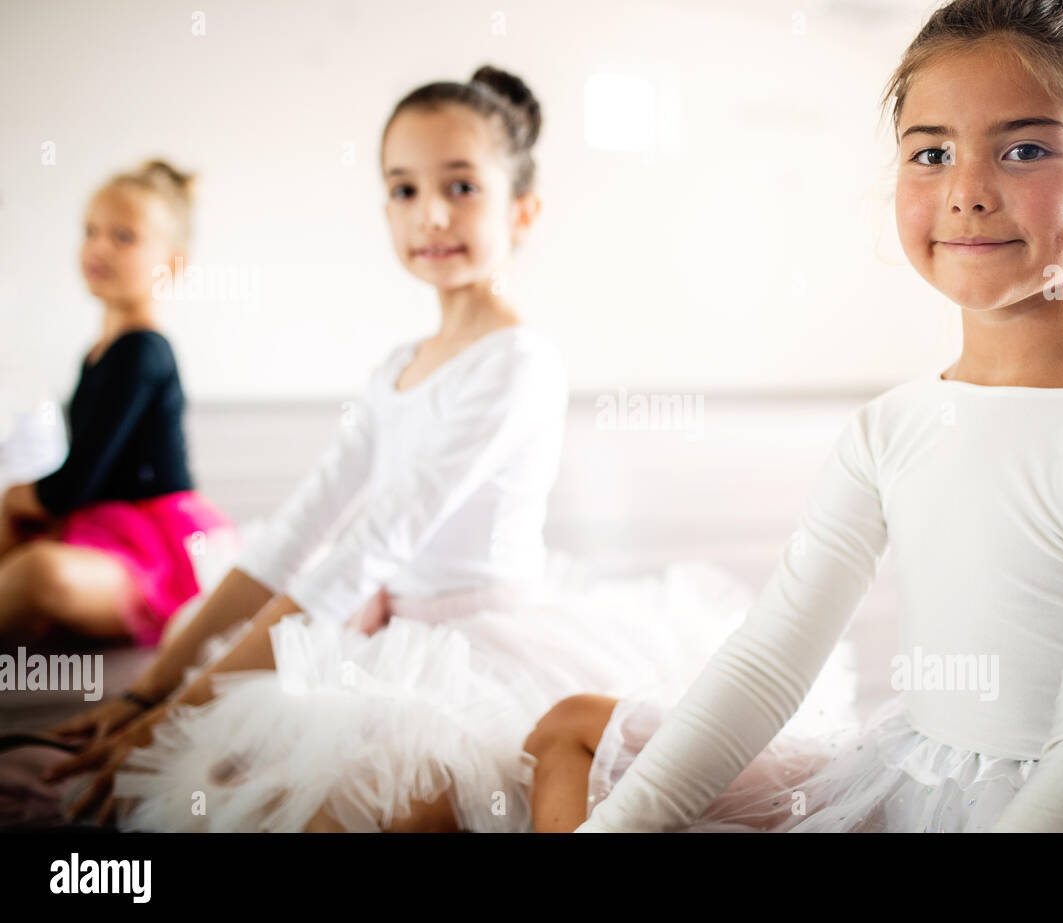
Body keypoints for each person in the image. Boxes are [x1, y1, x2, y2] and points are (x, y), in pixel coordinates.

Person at [526, 0, 1063, 833]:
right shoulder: (891, 425)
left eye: (1025, 149)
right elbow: (767, 662)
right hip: (913, 773)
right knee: (571, 729)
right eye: (931, 152)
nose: (967, 191)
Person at [42, 66, 857, 833]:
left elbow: (370, 544)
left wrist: (177, 717)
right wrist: (153, 693)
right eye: (405, 189)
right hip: (383, 636)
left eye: (460, 187)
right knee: (232, 782)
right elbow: (298, 529)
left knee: (341, 809)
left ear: (522, 211)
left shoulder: (517, 362)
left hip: (484, 650)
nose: (431, 213)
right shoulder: (397, 366)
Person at [0, 160, 233, 648]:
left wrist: (18, 497)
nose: (99, 246)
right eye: (91, 231)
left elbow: (72, 483)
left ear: (171, 265)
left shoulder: (143, 351)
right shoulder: (97, 353)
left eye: (123, 237)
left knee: (42, 572)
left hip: (155, 549)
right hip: (103, 523)